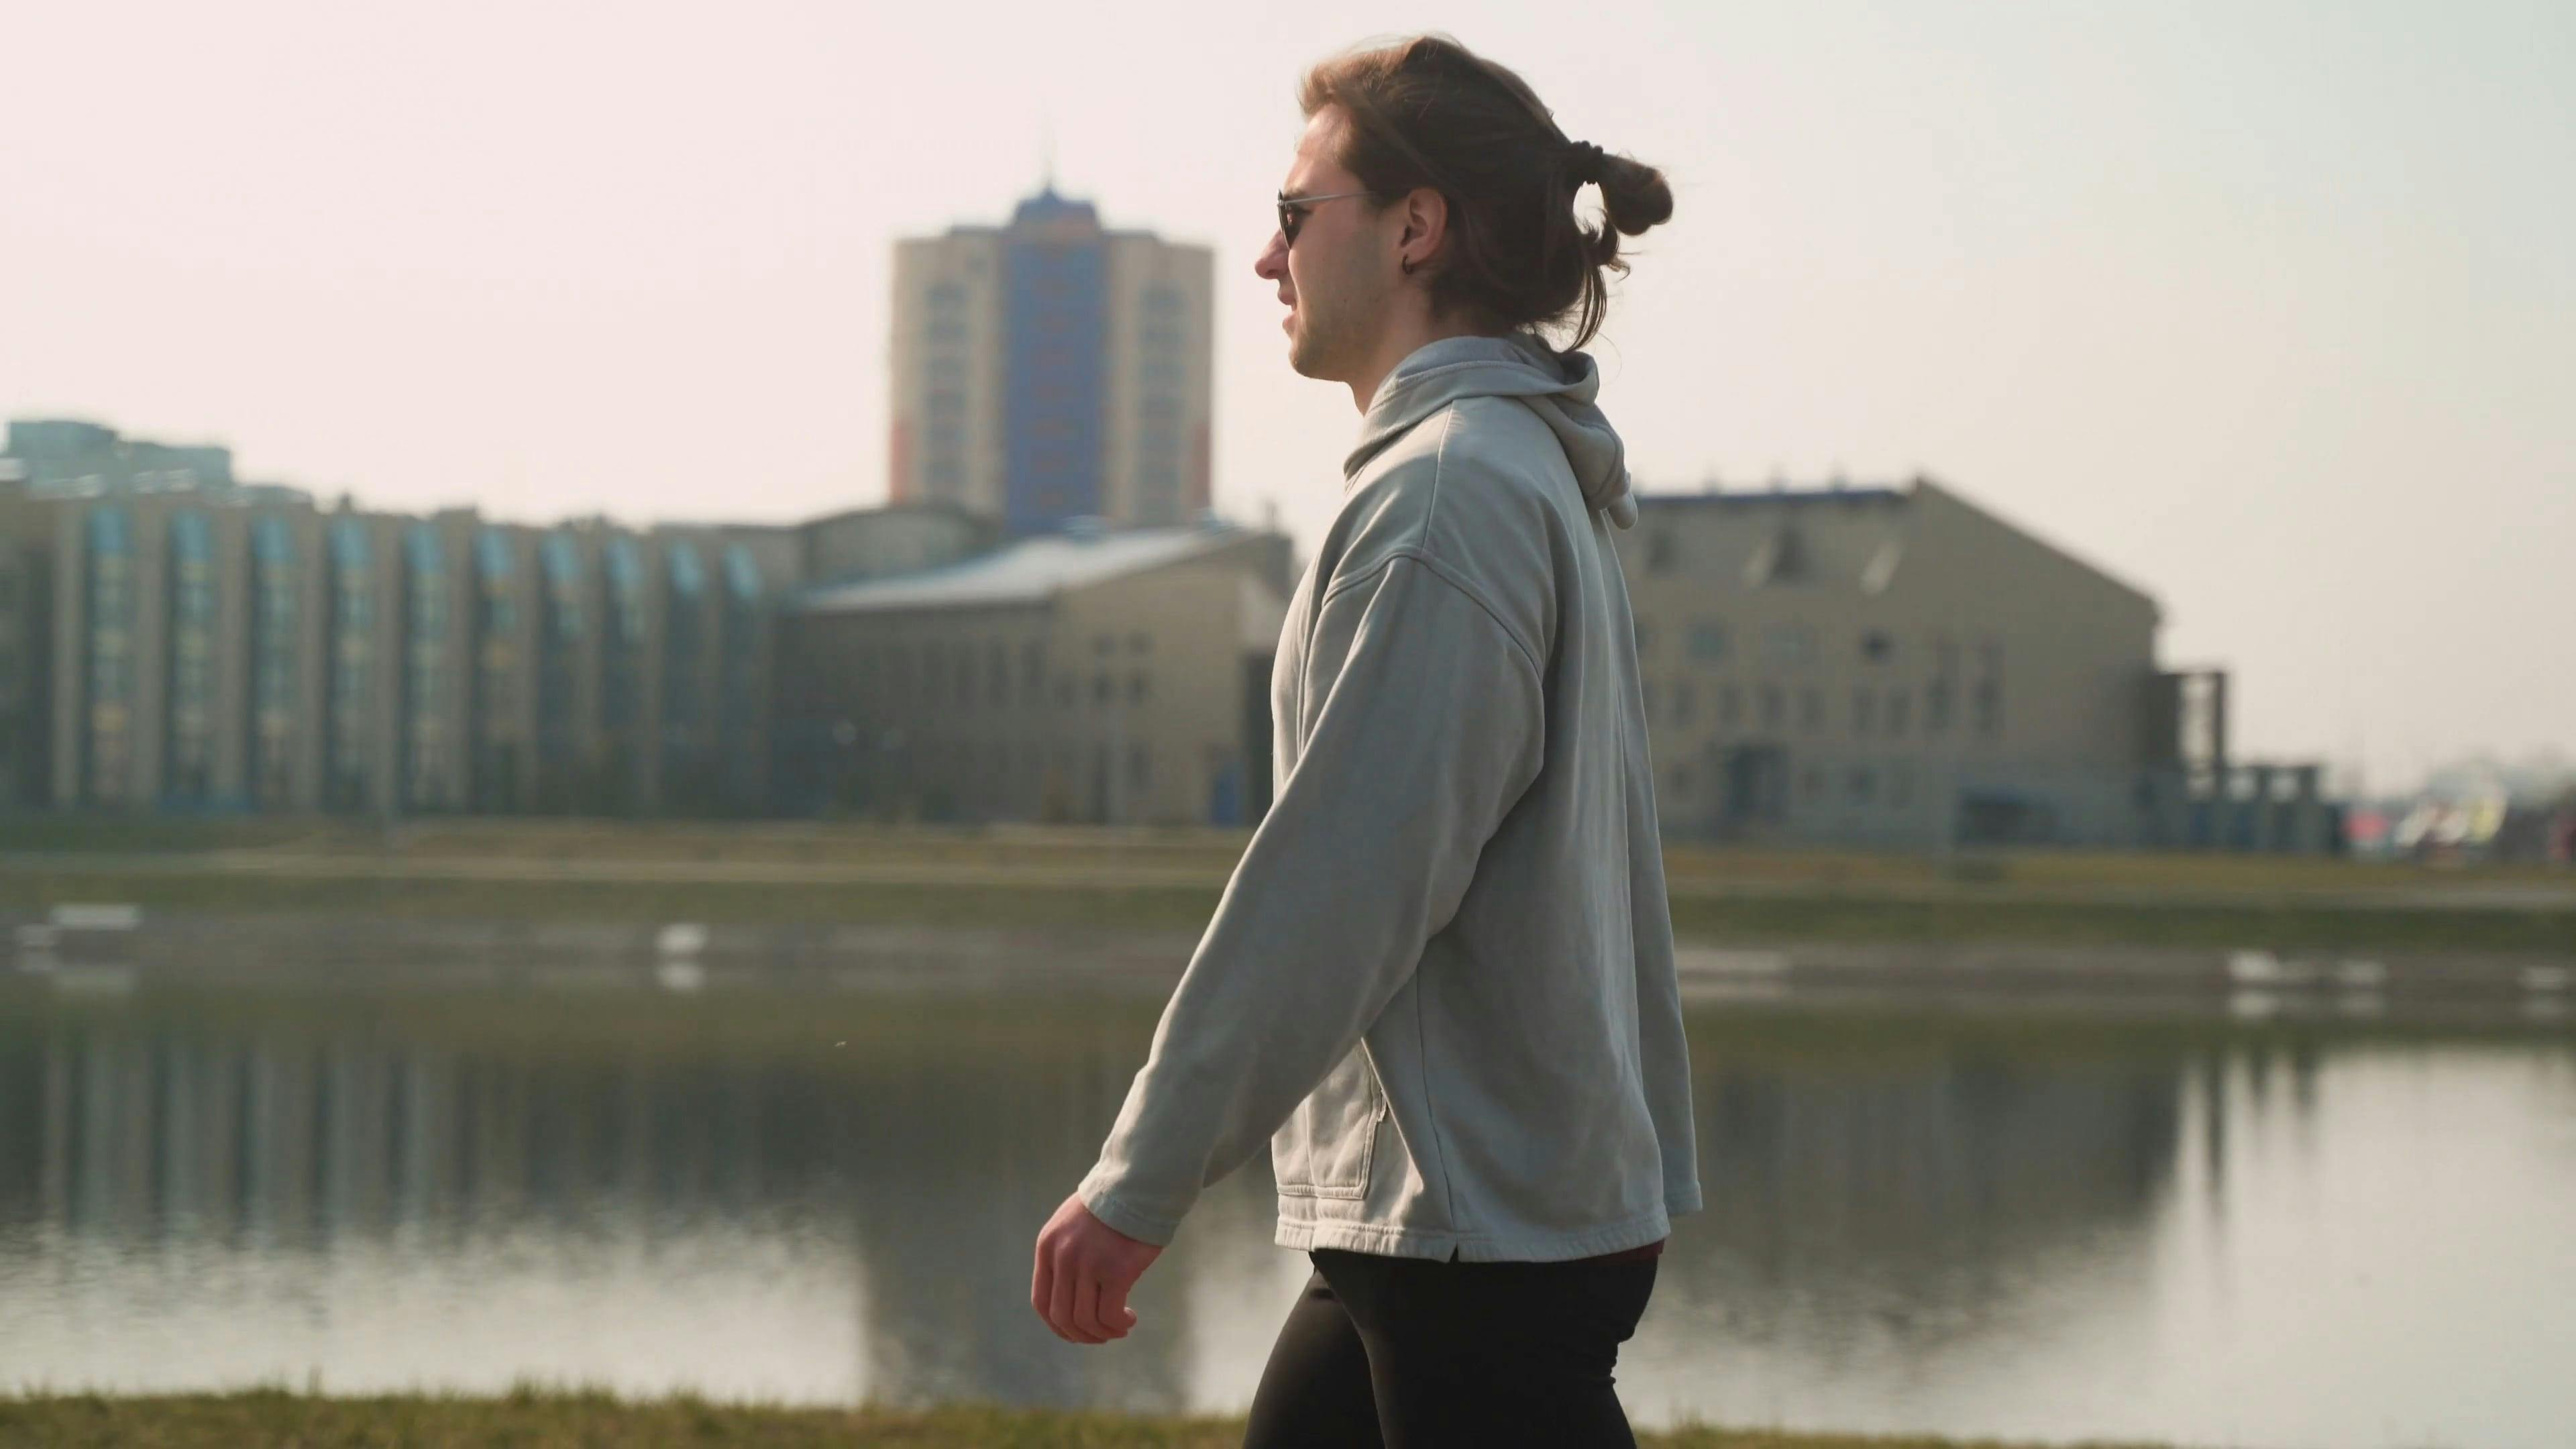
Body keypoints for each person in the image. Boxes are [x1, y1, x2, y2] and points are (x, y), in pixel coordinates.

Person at [1030, 33, 1699, 1448]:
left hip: (1477, 1236)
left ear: (1414, 228)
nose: (1267, 262)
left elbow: (1340, 888)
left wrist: (1137, 1183)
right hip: (1446, 1222)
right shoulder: (1507, 475)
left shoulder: (1448, 502)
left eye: (1292, 216)